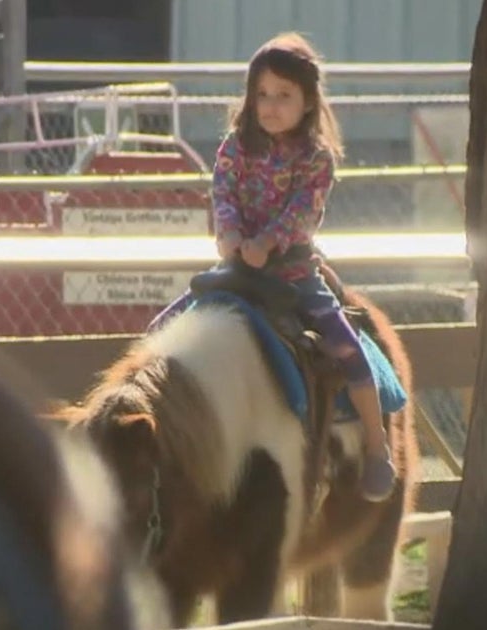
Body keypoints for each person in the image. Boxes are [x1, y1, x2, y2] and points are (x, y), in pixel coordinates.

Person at [149, 32, 396, 502]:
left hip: (292, 273)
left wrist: (268, 241)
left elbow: (304, 210)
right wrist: (229, 234)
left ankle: (376, 445)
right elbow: (223, 191)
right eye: (262, 94)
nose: (270, 105)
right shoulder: (235, 147)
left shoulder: (317, 158)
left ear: (307, 103)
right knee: (163, 328)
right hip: (238, 268)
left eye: (284, 95)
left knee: (346, 346)